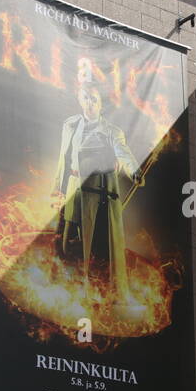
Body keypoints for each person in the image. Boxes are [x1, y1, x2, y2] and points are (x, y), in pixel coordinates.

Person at [50, 84, 142, 301]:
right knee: (67, 241)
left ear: (101, 103)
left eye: (93, 99)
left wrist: (134, 170)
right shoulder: (70, 125)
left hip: (96, 198)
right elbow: (63, 158)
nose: (89, 103)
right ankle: (68, 288)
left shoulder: (111, 131)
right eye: (85, 98)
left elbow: (123, 152)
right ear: (80, 100)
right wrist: (58, 188)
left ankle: (97, 294)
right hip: (74, 190)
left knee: (97, 248)